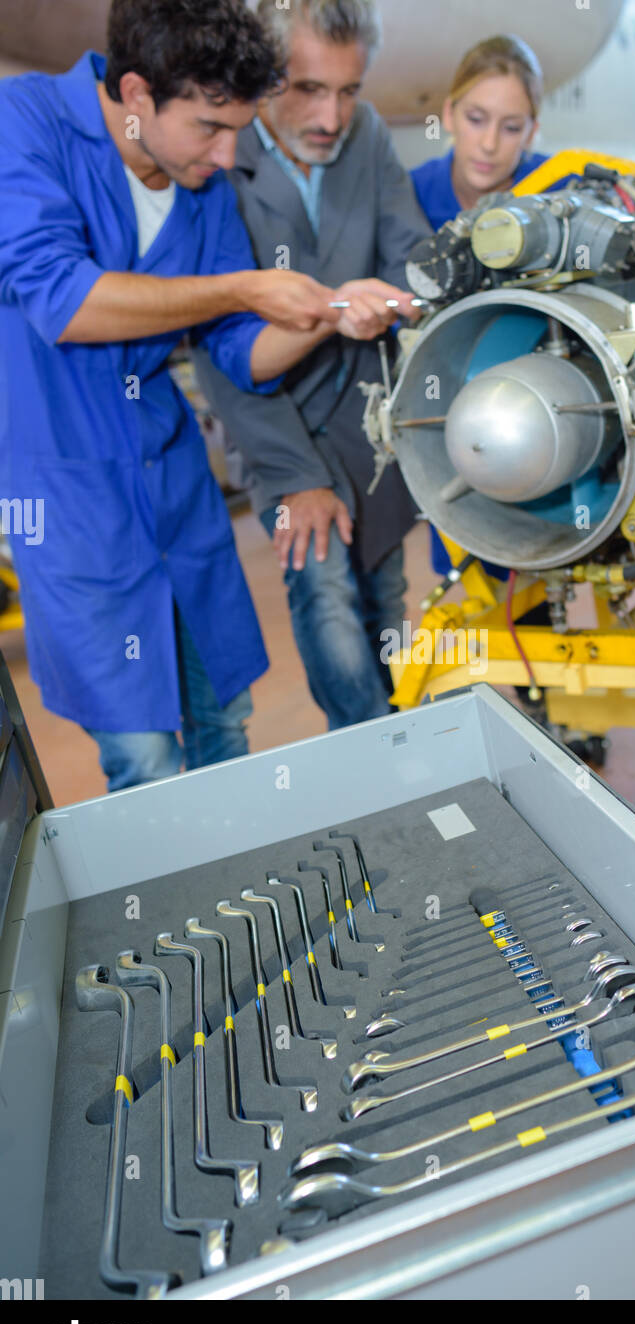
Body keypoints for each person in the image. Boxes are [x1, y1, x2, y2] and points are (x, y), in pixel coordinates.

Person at [0, 0, 390, 792]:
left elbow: (240, 353)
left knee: (222, 720)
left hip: (176, 483)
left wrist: (326, 313)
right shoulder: (24, 124)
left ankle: (235, 908)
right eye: (210, 126)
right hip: (70, 495)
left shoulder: (202, 186)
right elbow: (64, 302)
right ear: (138, 94)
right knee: (142, 756)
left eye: (239, 127)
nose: (228, 151)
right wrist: (244, 287)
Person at [191, 0, 430, 732]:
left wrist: (396, 300)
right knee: (324, 587)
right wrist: (298, 480)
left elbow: (410, 253)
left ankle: (382, 742)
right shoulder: (220, 162)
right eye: (307, 89)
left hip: (364, 415)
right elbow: (220, 345)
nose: (331, 115)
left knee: (383, 593)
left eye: (349, 91)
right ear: (264, 77)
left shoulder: (366, 143)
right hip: (273, 421)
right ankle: (374, 758)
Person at [411, 34, 571, 576]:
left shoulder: (559, 192)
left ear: (533, 131)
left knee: (543, 562)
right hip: (444, 418)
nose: (488, 145)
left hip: (546, 413)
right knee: (469, 560)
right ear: (449, 113)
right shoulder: (409, 197)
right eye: (476, 119)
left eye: (511, 128)